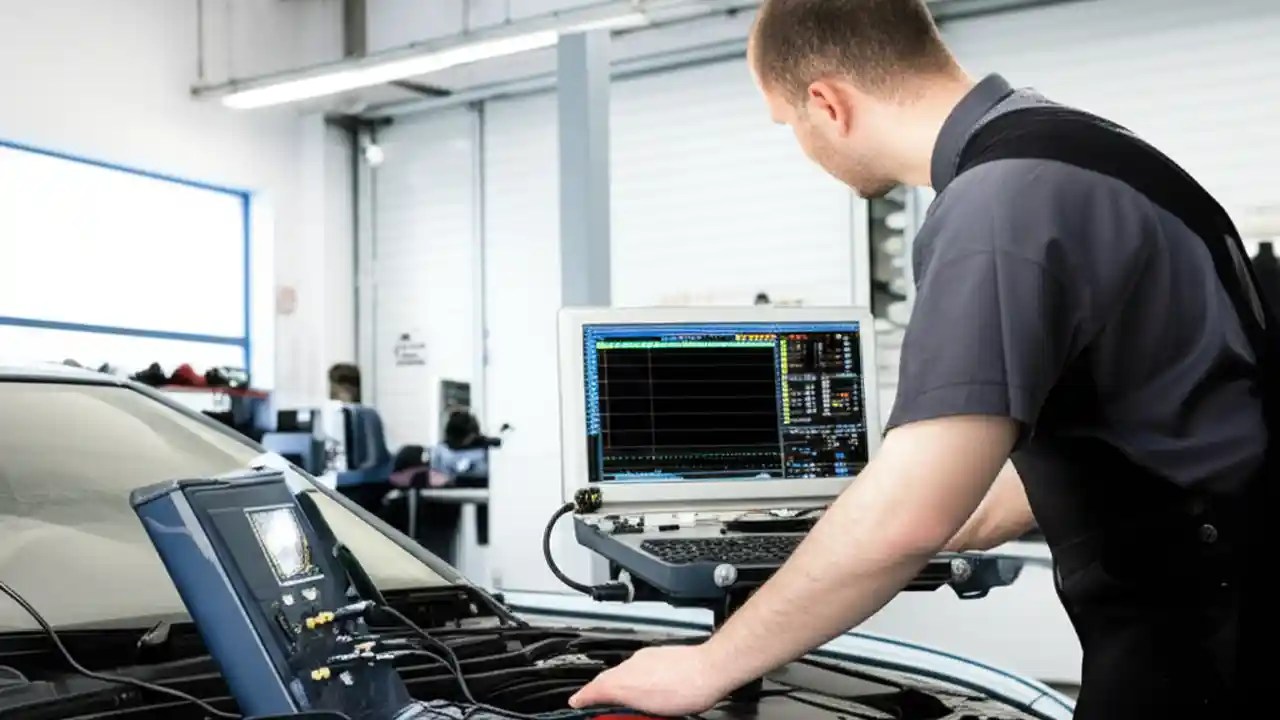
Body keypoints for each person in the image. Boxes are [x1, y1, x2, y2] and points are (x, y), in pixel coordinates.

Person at [569, 1, 1274, 717]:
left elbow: (908, 515)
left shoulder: (997, 205)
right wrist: (910, 524)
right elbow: (1148, 423)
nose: (802, 148)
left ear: (827, 104)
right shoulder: (1082, 150)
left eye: (790, 128)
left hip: (1202, 641)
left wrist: (703, 668)